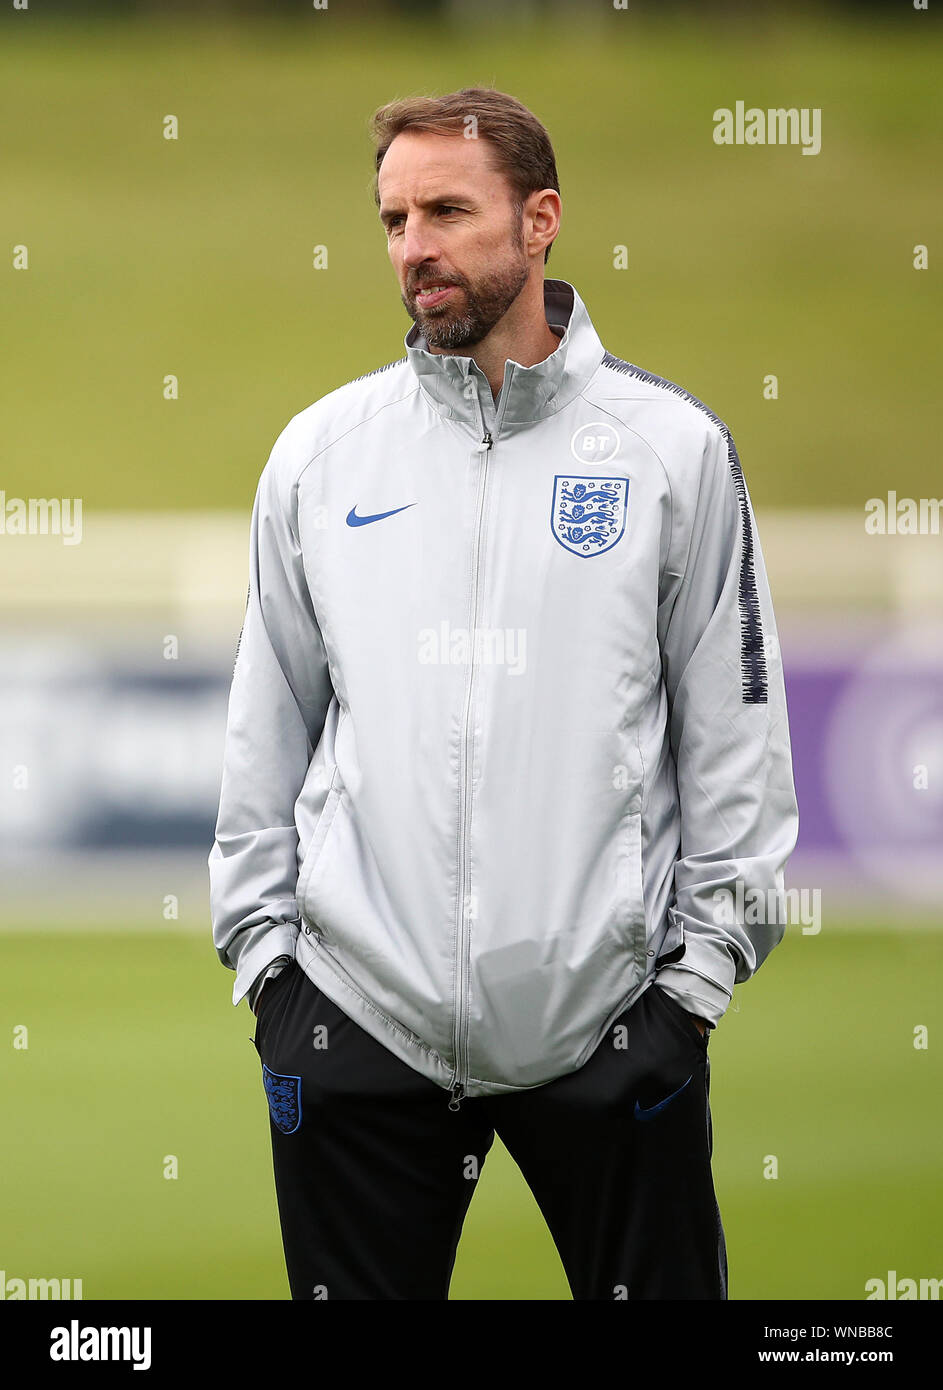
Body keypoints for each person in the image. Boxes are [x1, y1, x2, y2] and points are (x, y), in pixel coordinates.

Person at [208, 86, 799, 1301]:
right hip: (355, 1026)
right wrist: (270, 968)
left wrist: (688, 992)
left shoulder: (668, 450)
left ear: (541, 221)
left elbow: (735, 737)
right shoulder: (322, 455)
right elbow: (265, 728)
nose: (412, 245)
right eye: (391, 219)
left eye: (445, 210)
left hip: (609, 1031)